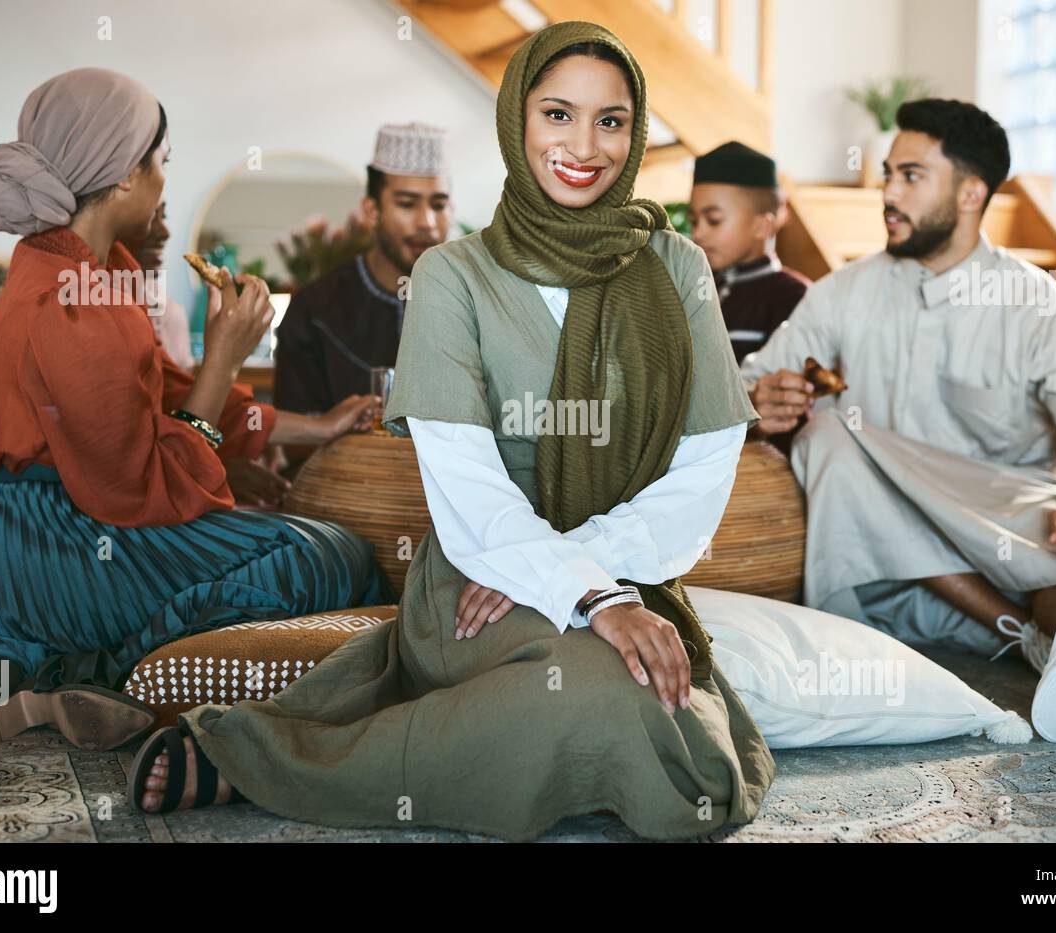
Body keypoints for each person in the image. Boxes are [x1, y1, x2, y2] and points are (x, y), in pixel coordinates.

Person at [129, 22, 775, 841]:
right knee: (609, 689)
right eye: (557, 115)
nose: (585, 145)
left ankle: (393, 741)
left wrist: (580, 573)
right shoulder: (452, 276)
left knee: (654, 717)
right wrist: (578, 587)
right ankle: (265, 758)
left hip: (616, 569)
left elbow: (705, 460)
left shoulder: (676, 267)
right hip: (472, 587)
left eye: (610, 120)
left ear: (635, 130)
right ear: (517, 121)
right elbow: (465, 482)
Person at [0, 68, 390, 745]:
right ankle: (89, 673)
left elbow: (171, 394)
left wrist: (317, 423)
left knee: (318, 545)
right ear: (122, 176)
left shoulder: (84, 266)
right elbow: (143, 490)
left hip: (20, 533)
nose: (165, 182)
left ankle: (89, 668)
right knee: (328, 558)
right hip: (37, 546)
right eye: (161, 163)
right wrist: (227, 353)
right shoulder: (70, 297)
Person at [741, 98, 1056, 744]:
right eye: (886, 173)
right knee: (827, 433)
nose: (888, 193)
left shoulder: (1038, 304)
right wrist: (758, 398)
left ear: (971, 192)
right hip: (887, 554)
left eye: (911, 175)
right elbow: (747, 380)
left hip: (1002, 524)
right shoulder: (845, 292)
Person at [273, 123, 452, 470]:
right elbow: (294, 446)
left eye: (439, 204)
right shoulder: (316, 308)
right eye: (406, 204)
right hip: (342, 502)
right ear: (372, 211)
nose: (427, 222)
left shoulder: (473, 304)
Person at [120, 202, 293, 509]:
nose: (163, 232)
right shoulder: (100, 313)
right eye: (149, 216)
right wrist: (224, 360)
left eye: (165, 216)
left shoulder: (163, 311)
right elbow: (147, 472)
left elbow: (179, 401)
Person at [687, 141, 809, 363]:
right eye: (694, 220)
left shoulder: (793, 297)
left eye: (714, 220)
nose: (698, 233)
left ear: (761, 226)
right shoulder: (691, 287)